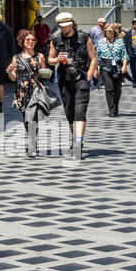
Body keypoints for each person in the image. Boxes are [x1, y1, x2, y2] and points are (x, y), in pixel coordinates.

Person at [48, 12, 99, 160]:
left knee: (80, 112)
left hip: (81, 78)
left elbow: (93, 57)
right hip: (64, 79)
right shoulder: (56, 39)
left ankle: (78, 143)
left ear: (72, 24)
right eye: (62, 27)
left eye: (67, 26)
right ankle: (74, 138)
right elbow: (50, 59)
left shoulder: (84, 37)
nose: (64, 29)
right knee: (69, 113)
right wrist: (57, 59)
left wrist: (89, 74)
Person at [7, 29, 50, 158]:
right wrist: (9, 71)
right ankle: (32, 140)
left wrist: (45, 71)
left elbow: (45, 75)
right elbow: (13, 78)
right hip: (22, 91)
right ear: (22, 41)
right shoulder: (16, 58)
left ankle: (31, 143)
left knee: (33, 118)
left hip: (36, 90)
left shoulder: (40, 56)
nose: (31, 42)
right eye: (28, 40)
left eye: (33, 40)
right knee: (26, 119)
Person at [97, 21, 130, 116]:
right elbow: (98, 56)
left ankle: (116, 106)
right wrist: (98, 69)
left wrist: (124, 66)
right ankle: (111, 110)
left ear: (114, 32)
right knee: (109, 89)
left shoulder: (119, 42)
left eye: (110, 31)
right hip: (105, 67)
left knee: (117, 89)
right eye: (106, 31)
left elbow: (125, 55)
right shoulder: (101, 42)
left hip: (117, 68)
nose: (108, 32)